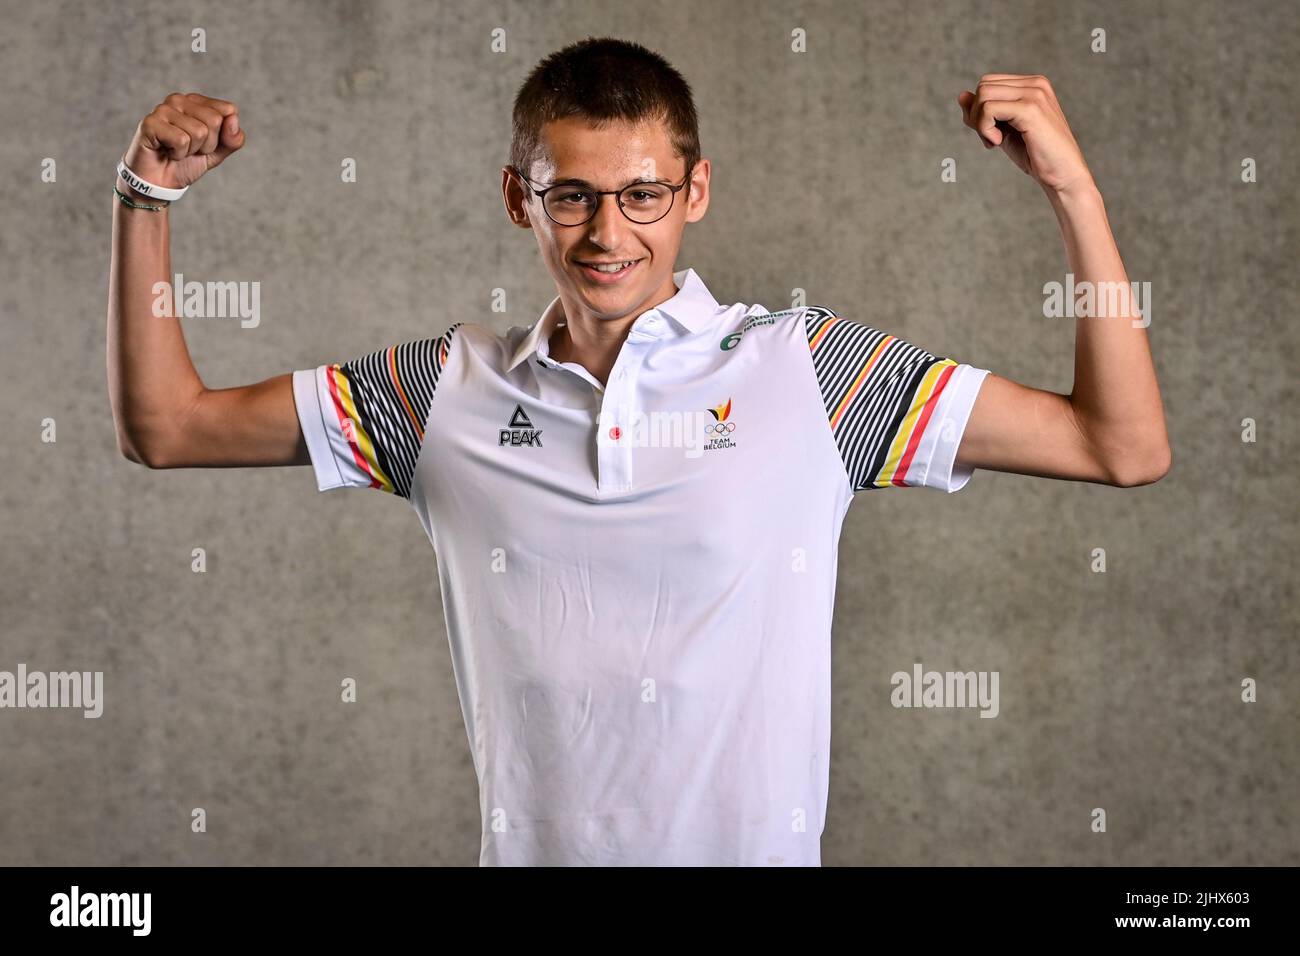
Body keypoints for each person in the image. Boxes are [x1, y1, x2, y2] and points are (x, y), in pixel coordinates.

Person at [107, 36, 1169, 866]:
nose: (607, 233)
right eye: (570, 194)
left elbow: (1120, 445)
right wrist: (145, 198)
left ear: (693, 193)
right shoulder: (440, 392)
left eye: (642, 195)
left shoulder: (814, 373)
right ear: (519, 197)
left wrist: (1076, 193)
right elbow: (167, 425)